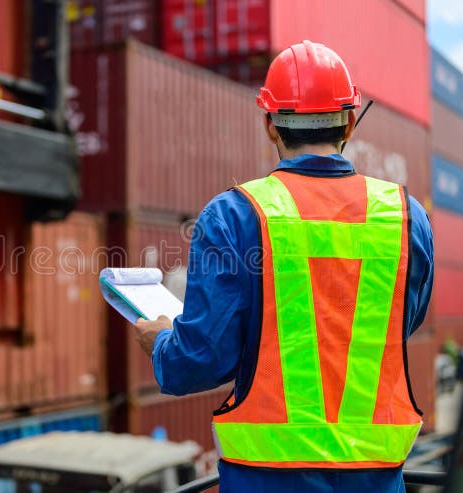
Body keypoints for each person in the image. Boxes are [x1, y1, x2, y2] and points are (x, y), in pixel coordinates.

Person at [134, 40, 434, 492]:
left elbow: (198, 362)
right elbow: (394, 330)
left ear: (270, 125)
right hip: (377, 481)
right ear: (350, 121)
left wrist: (160, 342)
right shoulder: (406, 218)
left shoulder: (234, 215)